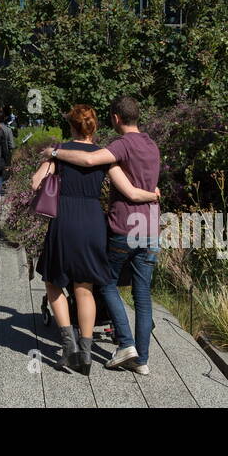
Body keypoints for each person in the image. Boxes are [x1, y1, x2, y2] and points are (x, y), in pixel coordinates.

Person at [46, 96, 161, 375]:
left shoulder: (121, 145)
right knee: (142, 295)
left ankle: (125, 344)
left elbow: (87, 159)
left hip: (125, 227)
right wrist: (155, 196)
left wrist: (56, 152)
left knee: (106, 283)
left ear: (116, 119)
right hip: (151, 230)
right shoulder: (151, 144)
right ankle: (141, 360)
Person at [30, 105, 115, 374]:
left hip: (65, 219)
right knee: (85, 287)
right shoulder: (104, 155)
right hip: (92, 219)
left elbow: (36, 182)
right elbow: (121, 185)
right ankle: (87, 353)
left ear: (72, 126)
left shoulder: (61, 151)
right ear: (94, 127)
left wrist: (50, 160)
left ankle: (69, 348)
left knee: (53, 282)